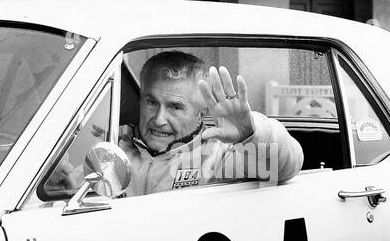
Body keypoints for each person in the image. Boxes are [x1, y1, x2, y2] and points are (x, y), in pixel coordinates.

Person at [117, 50, 303, 196]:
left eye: (175, 107)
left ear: (202, 113)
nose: (159, 119)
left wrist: (251, 133)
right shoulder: (112, 140)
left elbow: (285, 167)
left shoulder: (219, 154)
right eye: (151, 102)